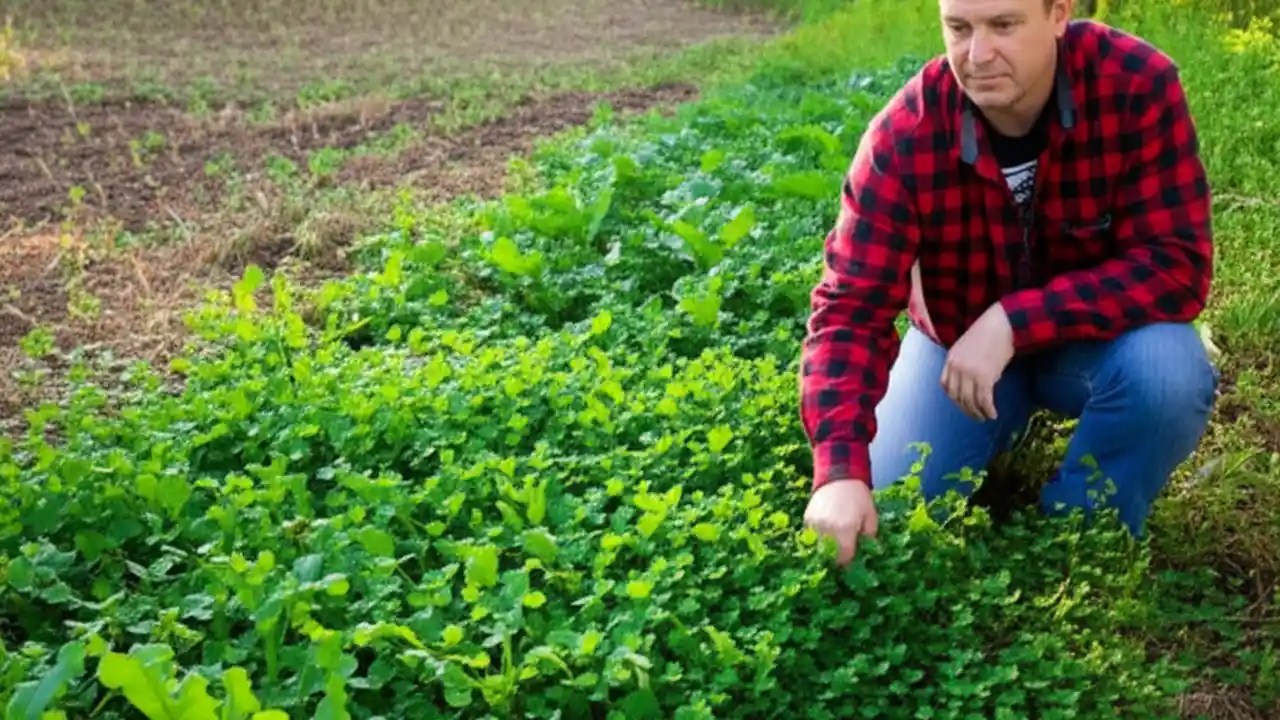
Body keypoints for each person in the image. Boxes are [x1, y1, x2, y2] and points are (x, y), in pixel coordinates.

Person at [799, 0, 1218, 567]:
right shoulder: (905, 137)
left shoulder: (1136, 85)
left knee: (1168, 373)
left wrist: (1014, 321)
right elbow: (849, 309)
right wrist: (839, 470)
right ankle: (997, 423)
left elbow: (1176, 264)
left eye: (1003, 25)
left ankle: (1078, 540)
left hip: (1096, 344)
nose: (977, 55)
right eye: (959, 28)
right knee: (896, 516)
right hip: (954, 350)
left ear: (1058, 15)